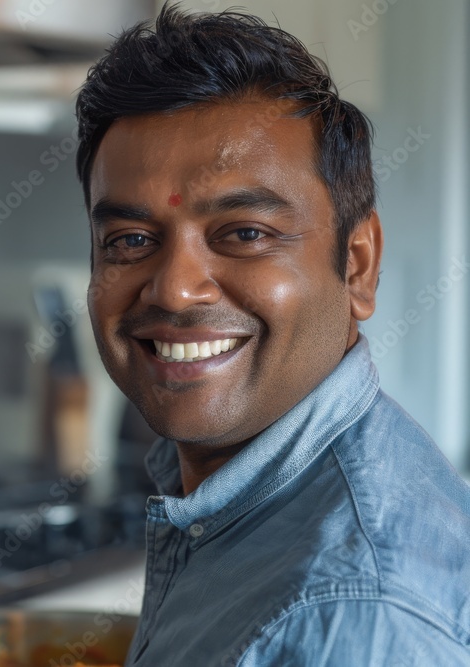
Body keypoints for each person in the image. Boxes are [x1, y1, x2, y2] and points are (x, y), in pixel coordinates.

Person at [75, 5, 470, 665]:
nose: (174, 289)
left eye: (245, 233)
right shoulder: (249, 498)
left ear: (358, 264)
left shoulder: (349, 613)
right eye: (132, 240)